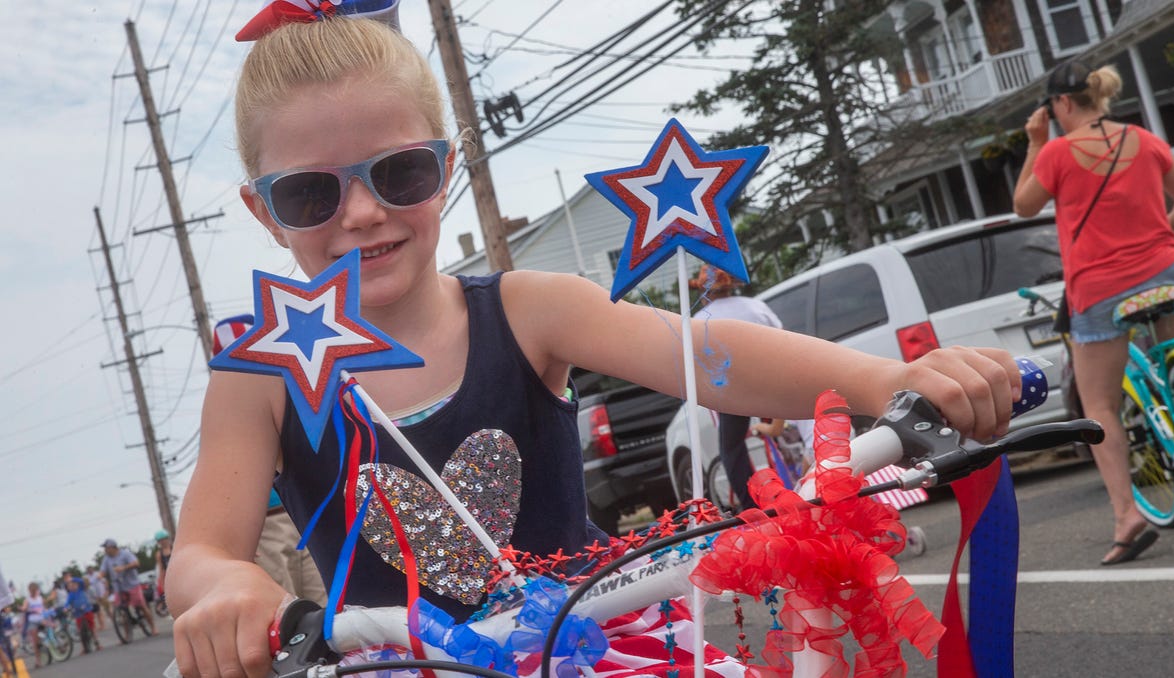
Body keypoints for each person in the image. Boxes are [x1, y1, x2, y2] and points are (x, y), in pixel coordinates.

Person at [167, 10, 1023, 678]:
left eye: (401, 173)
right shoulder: (261, 375)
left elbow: (707, 357)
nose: (361, 213)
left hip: (600, 651)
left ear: (449, 165)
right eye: (311, 193)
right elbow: (200, 552)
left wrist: (890, 376)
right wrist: (233, 587)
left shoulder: (529, 309)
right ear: (261, 211)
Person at [1014, 60, 1174, 565]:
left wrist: (1034, 142)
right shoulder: (1143, 139)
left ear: (1062, 105)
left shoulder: (1055, 152)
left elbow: (1024, 206)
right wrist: (1163, 237)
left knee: (1099, 407)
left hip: (1100, 288)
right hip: (1166, 272)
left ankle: (1127, 516)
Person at [692, 264, 783, 510]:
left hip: (732, 391)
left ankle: (752, 508)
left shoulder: (699, 321)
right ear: (730, 287)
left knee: (731, 448)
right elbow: (783, 339)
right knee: (783, 434)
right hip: (770, 380)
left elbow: (696, 364)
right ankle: (794, 486)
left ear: (705, 292)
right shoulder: (756, 307)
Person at [99, 538, 157, 636]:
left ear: (112, 547)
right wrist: (99, 576)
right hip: (118, 587)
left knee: (141, 605)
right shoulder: (106, 559)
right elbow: (102, 571)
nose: (105, 550)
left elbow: (136, 563)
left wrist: (123, 568)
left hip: (132, 584)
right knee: (121, 609)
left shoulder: (125, 554)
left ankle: (153, 627)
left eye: (106, 548)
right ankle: (126, 635)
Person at [64, 576, 101, 653]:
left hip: (87, 610)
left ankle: (97, 643)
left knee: (92, 627)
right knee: (80, 630)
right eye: (70, 586)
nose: (72, 586)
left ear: (77, 585)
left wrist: (72, 579)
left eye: (74, 585)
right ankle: (84, 647)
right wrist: (65, 608)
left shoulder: (81, 589)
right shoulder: (71, 595)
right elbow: (67, 603)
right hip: (78, 613)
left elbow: (81, 581)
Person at [20, 583, 45, 668]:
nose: (34, 592)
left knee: (51, 629)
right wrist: (24, 608)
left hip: (41, 619)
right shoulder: (28, 600)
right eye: (32, 590)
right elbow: (24, 607)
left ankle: (57, 645)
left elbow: (43, 608)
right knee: (35, 641)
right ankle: (38, 661)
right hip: (33, 621)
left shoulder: (40, 598)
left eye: (35, 590)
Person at [84, 565, 110, 631]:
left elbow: (105, 581)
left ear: (93, 569)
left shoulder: (98, 574)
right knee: (98, 612)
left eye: (91, 569)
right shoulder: (86, 577)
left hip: (102, 594)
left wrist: (106, 590)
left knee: (107, 608)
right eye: (88, 570)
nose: (90, 571)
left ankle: (114, 619)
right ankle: (101, 625)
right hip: (93, 597)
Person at [154, 529, 172, 602]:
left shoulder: (175, 548)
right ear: (158, 542)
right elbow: (161, 570)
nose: (163, 542)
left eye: (164, 539)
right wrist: (162, 585)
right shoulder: (159, 554)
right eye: (160, 540)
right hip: (169, 578)